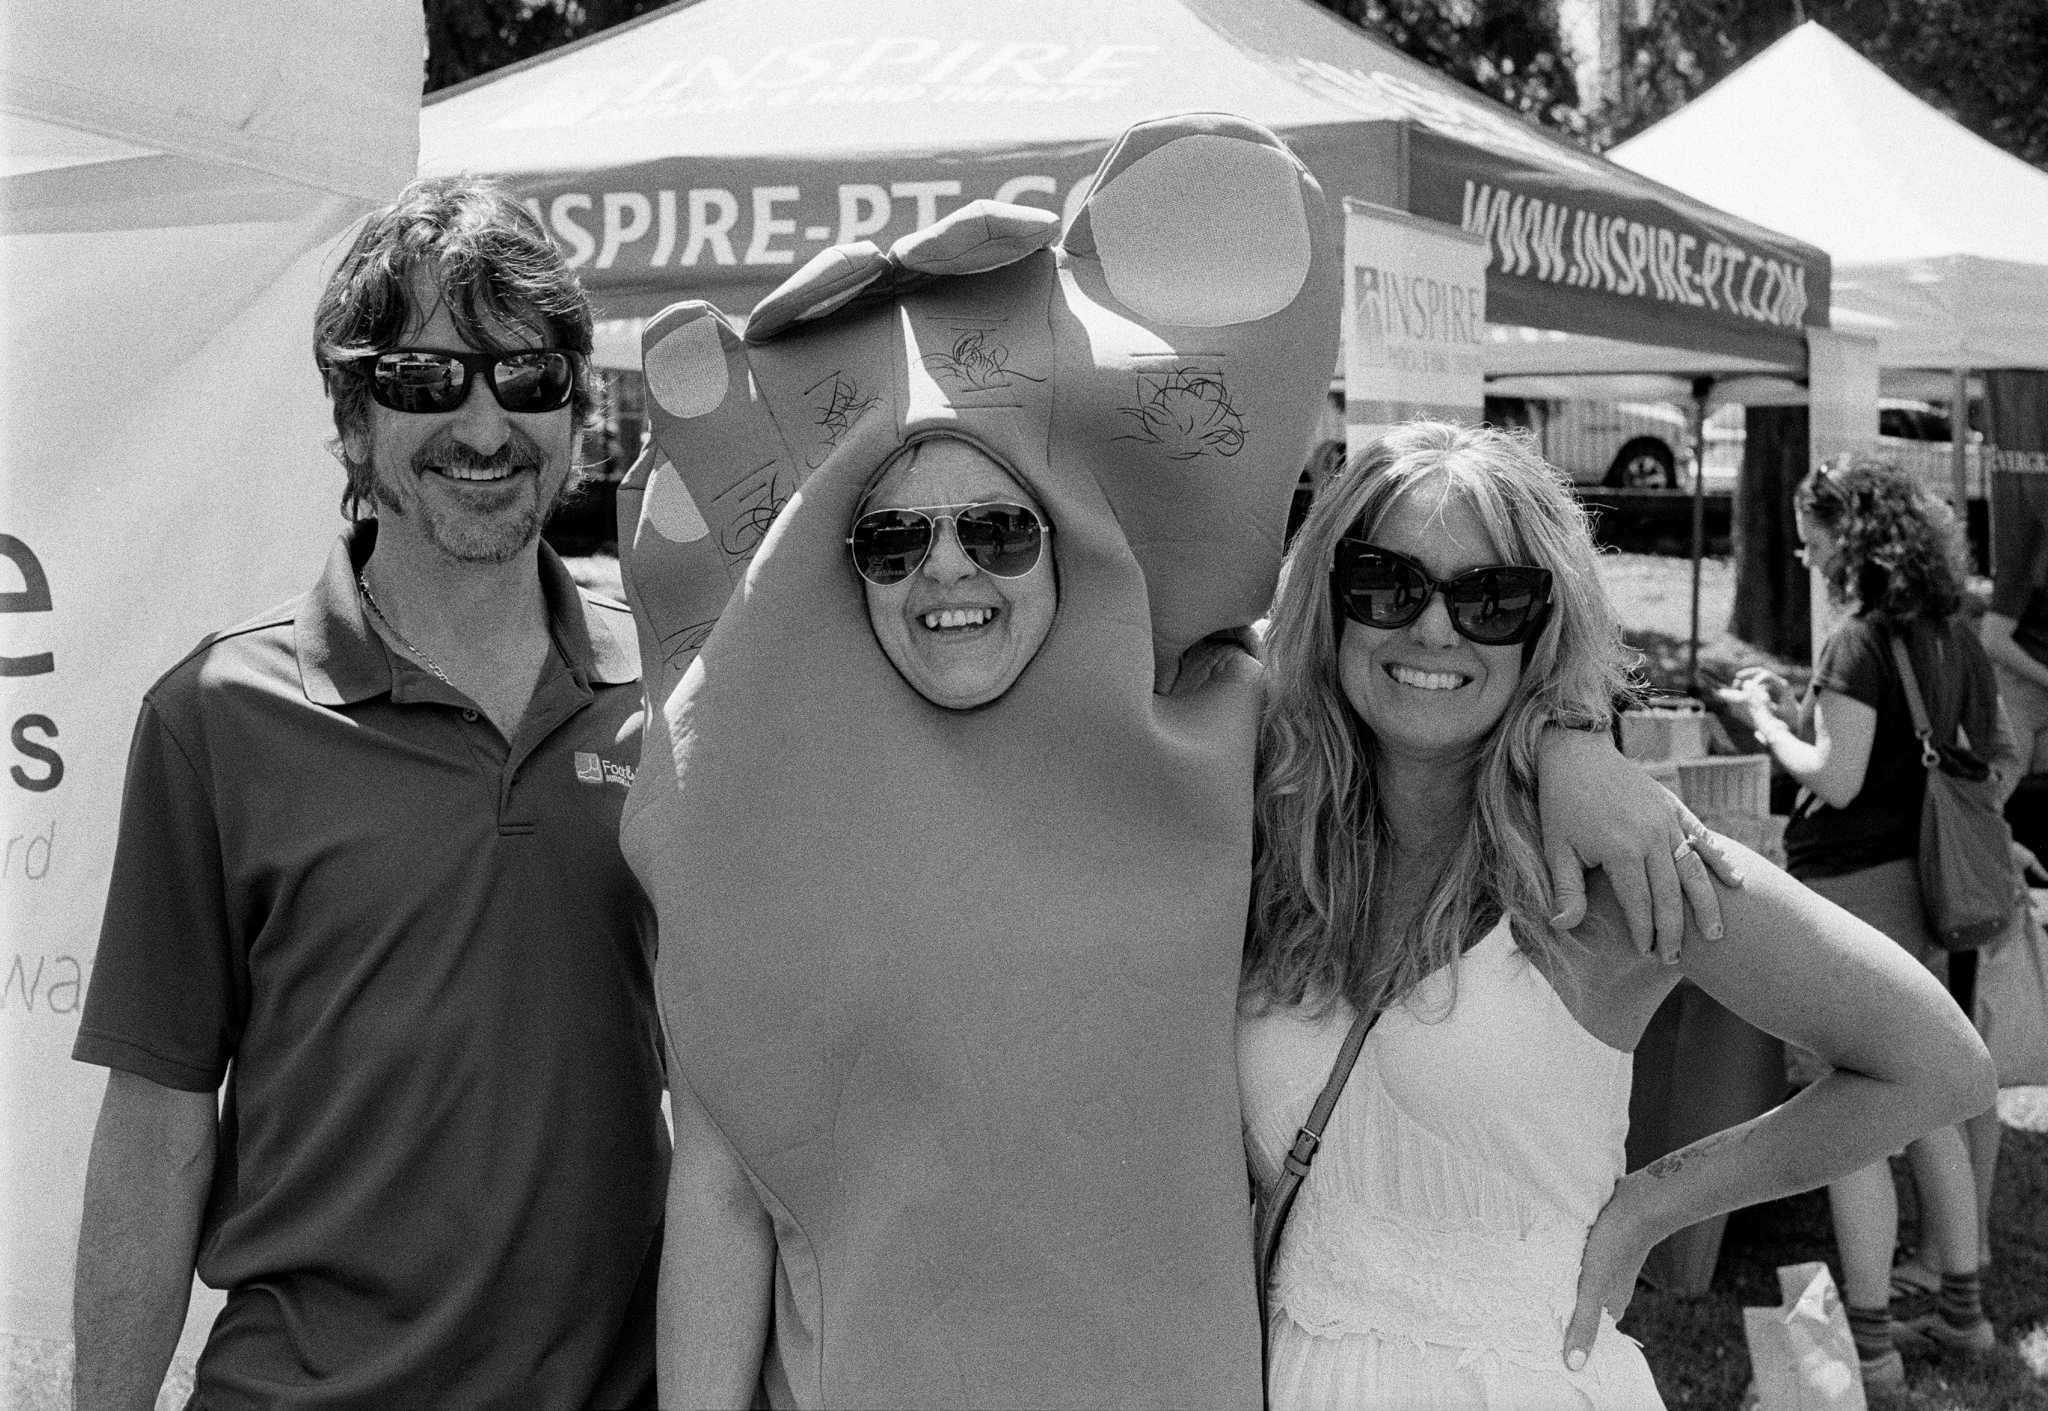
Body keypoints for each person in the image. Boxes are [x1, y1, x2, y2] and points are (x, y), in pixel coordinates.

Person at [620, 116, 1737, 1409]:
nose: (947, 569)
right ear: (844, 560)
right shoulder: (777, 820)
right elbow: (720, 1185)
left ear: (1070, 537)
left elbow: (1419, 693)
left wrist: (1572, 733)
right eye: (892, 538)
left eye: (997, 527)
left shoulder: (1223, 740)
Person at [1240, 424, 1993, 1409]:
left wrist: (1651, 1203)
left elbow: (1936, 1061)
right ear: (1325, 604)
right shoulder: (1272, 831)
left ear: (1542, 628)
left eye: (1490, 598)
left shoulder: (1608, 862)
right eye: (1385, 582)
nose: (1433, 628)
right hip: (1290, 1369)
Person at [68, 176, 667, 1411]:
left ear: (576, 408)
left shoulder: (673, 698)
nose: (486, 426)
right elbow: (156, 1132)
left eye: (529, 377)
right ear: (350, 419)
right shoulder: (215, 718)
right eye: (426, 381)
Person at [1722, 457, 2019, 1390]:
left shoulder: (1859, 641)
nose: (1802, 551)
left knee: (1853, 1111)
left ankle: (1873, 1344)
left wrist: (1768, 722)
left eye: (1812, 533)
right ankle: (1963, 1318)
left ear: (1850, 536)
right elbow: (2000, 758)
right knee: (1925, 1092)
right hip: (1928, 896)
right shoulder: (1956, 636)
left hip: (1853, 892)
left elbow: (1836, 776)